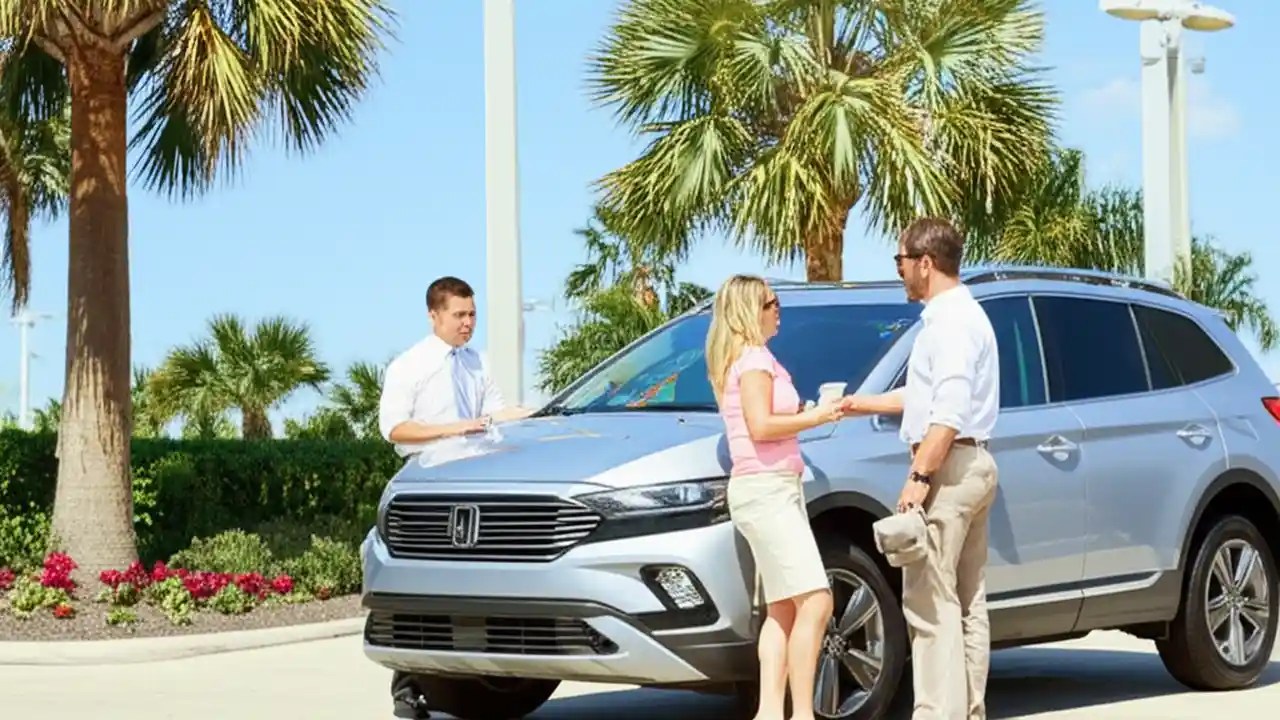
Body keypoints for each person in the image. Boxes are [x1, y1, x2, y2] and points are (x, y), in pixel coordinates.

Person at [843, 218, 1000, 720]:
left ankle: (936, 713)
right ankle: (968, 711)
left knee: (929, 605)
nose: (900, 272)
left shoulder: (949, 323)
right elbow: (926, 395)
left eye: (901, 261)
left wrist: (918, 479)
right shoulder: (964, 316)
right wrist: (860, 404)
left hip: (949, 468)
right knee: (967, 604)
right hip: (973, 463)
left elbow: (948, 411)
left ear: (925, 264)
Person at [377, 275, 533, 719]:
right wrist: (456, 428)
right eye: (459, 315)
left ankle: (480, 680)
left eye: (472, 315)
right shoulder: (409, 365)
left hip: (477, 485)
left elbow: (496, 414)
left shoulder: (477, 363)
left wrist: (538, 414)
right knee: (421, 589)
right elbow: (394, 429)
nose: (467, 324)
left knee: (474, 586)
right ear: (434, 315)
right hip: (427, 486)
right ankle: (408, 691)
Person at [706, 273, 844, 720]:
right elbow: (761, 426)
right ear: (751, 310)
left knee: (783, 608)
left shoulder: (752, 359)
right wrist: (817, 418)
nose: (778, 309)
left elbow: (760, 421)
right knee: (817, 601)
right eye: (771, 302)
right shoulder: (753, 361)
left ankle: (770, 712)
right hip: (767, 490)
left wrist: (802, 412)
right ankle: (802, 712)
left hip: (772, 489)